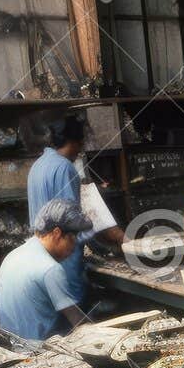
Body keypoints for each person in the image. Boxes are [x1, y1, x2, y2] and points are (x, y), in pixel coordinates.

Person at [26, 113, 122, 302]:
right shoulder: (64, 168)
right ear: (77, 142)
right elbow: (72, 221)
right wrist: (106, 240)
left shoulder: (38, 165)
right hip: (63, 257)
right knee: (73, 311)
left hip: (41, 253)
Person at [0, 198, 90, 342]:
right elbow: (78, 321)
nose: (74, 247)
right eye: (72, 239)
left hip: (9, 344)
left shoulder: (13, 256)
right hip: (36, 351)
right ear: (57, 233)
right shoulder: (50, 269)